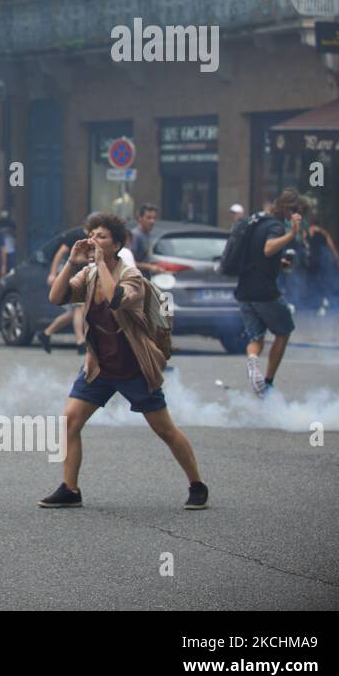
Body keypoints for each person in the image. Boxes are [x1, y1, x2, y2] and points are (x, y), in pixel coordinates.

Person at [39, 212, 208, 511]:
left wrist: (102, 262)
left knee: (165, 430)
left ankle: (197, 484)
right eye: (91, 235)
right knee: (69, 422)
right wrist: (71, 262)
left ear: (117, 243)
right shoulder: (89, 275)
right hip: (100, 366)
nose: (94, 240)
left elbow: (116, 298)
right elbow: (56, 297)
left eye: (101, 236)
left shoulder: (132, 277)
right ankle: (70, 488)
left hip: (134, 367)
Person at [234, 188, 307, 397]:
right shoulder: (275, 226)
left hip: (244, 291)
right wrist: (292, 233)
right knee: (284, 332)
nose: (298, 217)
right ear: (288, 209)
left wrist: (278, 262)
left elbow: (260, 255)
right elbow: (267, 249)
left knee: (256, 338)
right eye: (296, 212)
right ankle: (268, 381)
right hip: (264, 292)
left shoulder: (257, 222)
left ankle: (253, 362)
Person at [39, 226, 88, 356]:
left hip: (81, 275)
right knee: (79, 307)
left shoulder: (94, 238)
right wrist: (53, 274)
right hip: (70, 273)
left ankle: (46, 333)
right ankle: (80, 341)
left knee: (74, 312)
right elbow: (61, 252)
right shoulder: (77, 234)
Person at [131, 203, 163, 277]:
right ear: (140, 218)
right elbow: (129, 262)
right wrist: (149, 267)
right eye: (148, 218)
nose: (152, 221)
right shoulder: (136, 236)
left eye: (154, 218)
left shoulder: (149, 235)